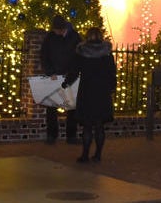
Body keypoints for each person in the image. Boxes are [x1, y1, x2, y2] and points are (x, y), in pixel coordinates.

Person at [63, 27, 116, 163]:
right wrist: (112, 88)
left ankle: (85, 155)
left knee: (87, 125)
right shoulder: (107, 53)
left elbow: (74, 71)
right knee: (99, 125)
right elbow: (112, 73)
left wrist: (66, 82)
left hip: (87, 90)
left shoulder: (82, 52)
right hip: (102, 91)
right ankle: (98, 155)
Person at [41, 15, 81, 144]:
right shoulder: (50, 37)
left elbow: (78, 56)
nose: (55, 32)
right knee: (51, 106)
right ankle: (52, 135)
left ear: (63, 28)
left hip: (70, 76)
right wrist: (50, 72)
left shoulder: (74, 37)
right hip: (54, 76)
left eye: (57, 30)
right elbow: (44, 55)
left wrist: (73, 73)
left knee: (71, 107)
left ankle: (71, 136)